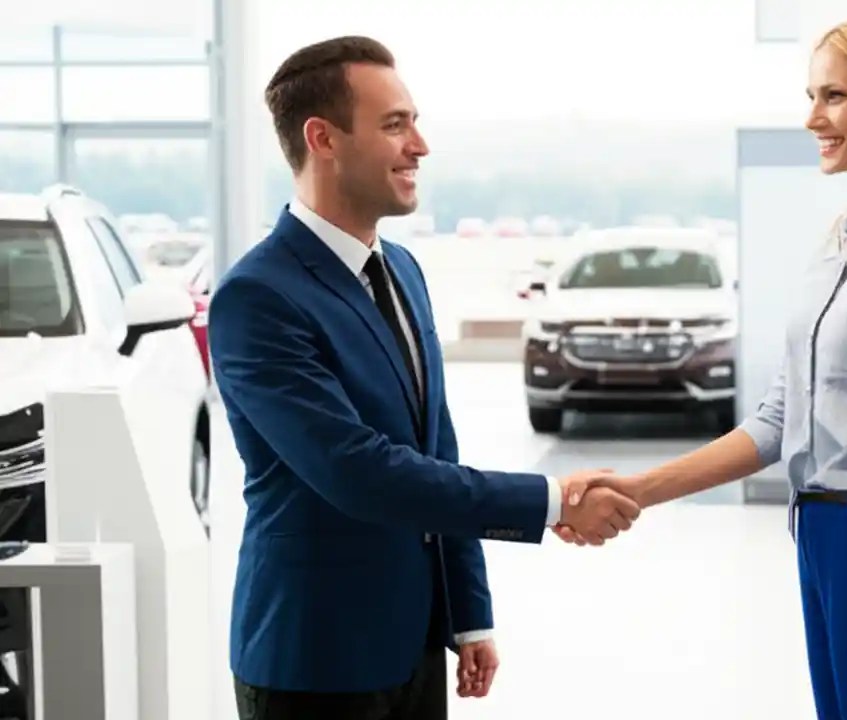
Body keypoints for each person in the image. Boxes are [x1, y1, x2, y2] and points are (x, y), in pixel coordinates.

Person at [560, 11, 847, 719]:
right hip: (823, 537)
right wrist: (640, 488)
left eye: (833, 96)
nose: (812, 118)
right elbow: (778, 420)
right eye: (812, 96)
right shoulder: (845, 238)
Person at [208, 36, 639, 720]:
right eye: (394, 125)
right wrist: (551, 501)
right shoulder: (258, 297)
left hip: (411, 642)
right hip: (314, 657)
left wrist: (467, 613)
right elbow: (360, 472)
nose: (420, 146)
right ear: (323, 137)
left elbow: (436, 448)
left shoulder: (403, 270)